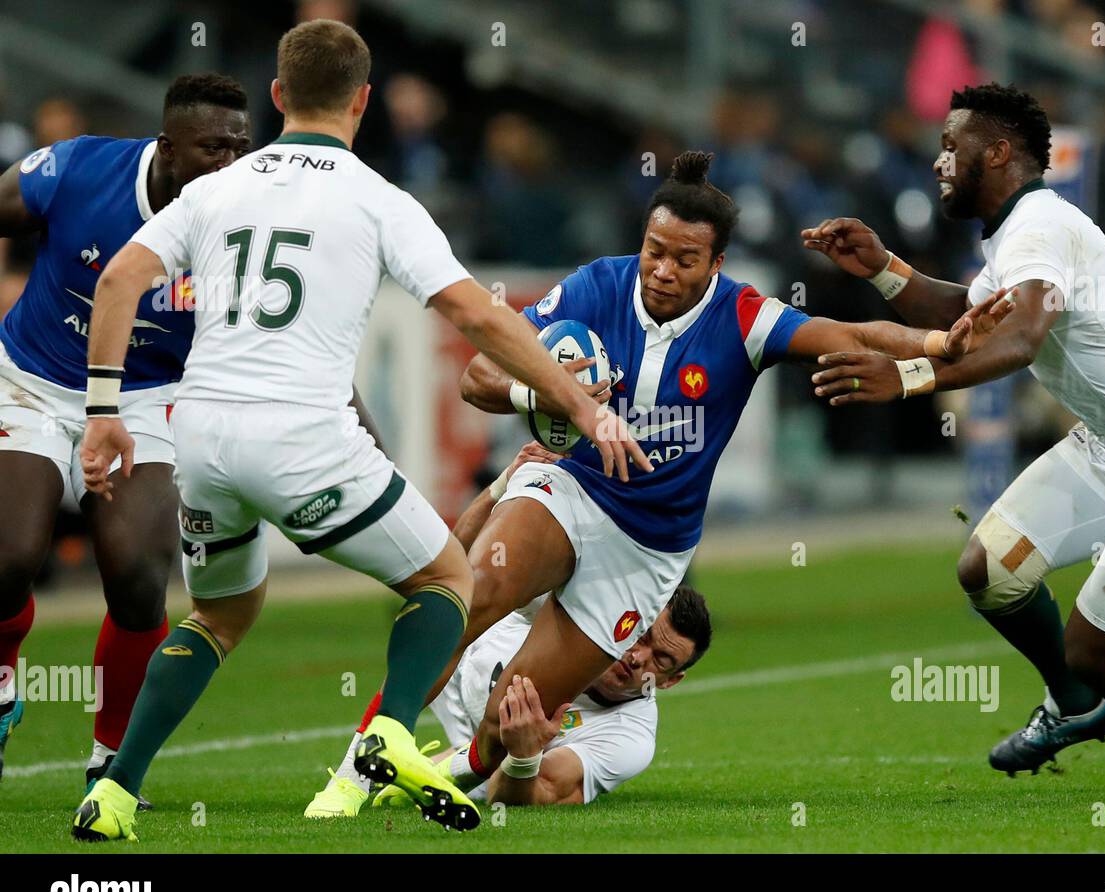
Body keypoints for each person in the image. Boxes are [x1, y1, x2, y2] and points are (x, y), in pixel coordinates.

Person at [70, 18, 646, 843]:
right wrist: (581, 405)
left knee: (218, 617)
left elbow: (122, 276)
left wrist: (100, 415)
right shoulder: (380, 199)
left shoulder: (214, 189)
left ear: (276, 96)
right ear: (365, 101)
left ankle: (115, 789)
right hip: (302, 437)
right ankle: (390, 732)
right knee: (447, 582)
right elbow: (472, 312)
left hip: (199, 435)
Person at [425, 150, 1014, 804]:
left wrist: (935, 346)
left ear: (716, 265)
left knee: (514, 715)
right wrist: (550, 399)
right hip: (575, 491)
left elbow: (849, 333)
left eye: (684, 260)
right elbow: (480, 376)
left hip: (647, 542)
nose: (663, 270)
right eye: (655, 251)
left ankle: (446, 776)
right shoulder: (597, 286)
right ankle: (364, 759)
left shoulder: (745, 319)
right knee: (465, 599)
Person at [803, 83, 1105, 792]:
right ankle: (1076, 705)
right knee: (989, 570)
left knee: (1095, 650)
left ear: (1001, 151)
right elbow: (973, 312)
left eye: (953, 146)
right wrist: (885, 269)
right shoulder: (1023, 230)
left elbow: (1017, 340)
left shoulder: (1042, 226)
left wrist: (910, 378)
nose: (940, 162)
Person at [0, 75, 252, 791]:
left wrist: (351, 414)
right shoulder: (82, 169)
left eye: (240, 147)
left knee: (139, 576)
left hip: (151, 398)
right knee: (8, 555)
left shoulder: (245, 227)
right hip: (33, 379)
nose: (229, 165)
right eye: (212, 149)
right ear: (167, 148)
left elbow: (293, 330)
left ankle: (109, 757)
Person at [305, 444, 712, 816]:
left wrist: (524, 758)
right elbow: (451, 569)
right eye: (641, 637)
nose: (637, 658)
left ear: (672, 681)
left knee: (492, 765)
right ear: (634, 614)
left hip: (484, 758)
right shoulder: (577, 598)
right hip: (447, 672)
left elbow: (542, 792)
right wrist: (501, 486)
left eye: (660, 660)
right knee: (449, 608)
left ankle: (444, 768)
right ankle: (350, 779)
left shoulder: (631, 738)